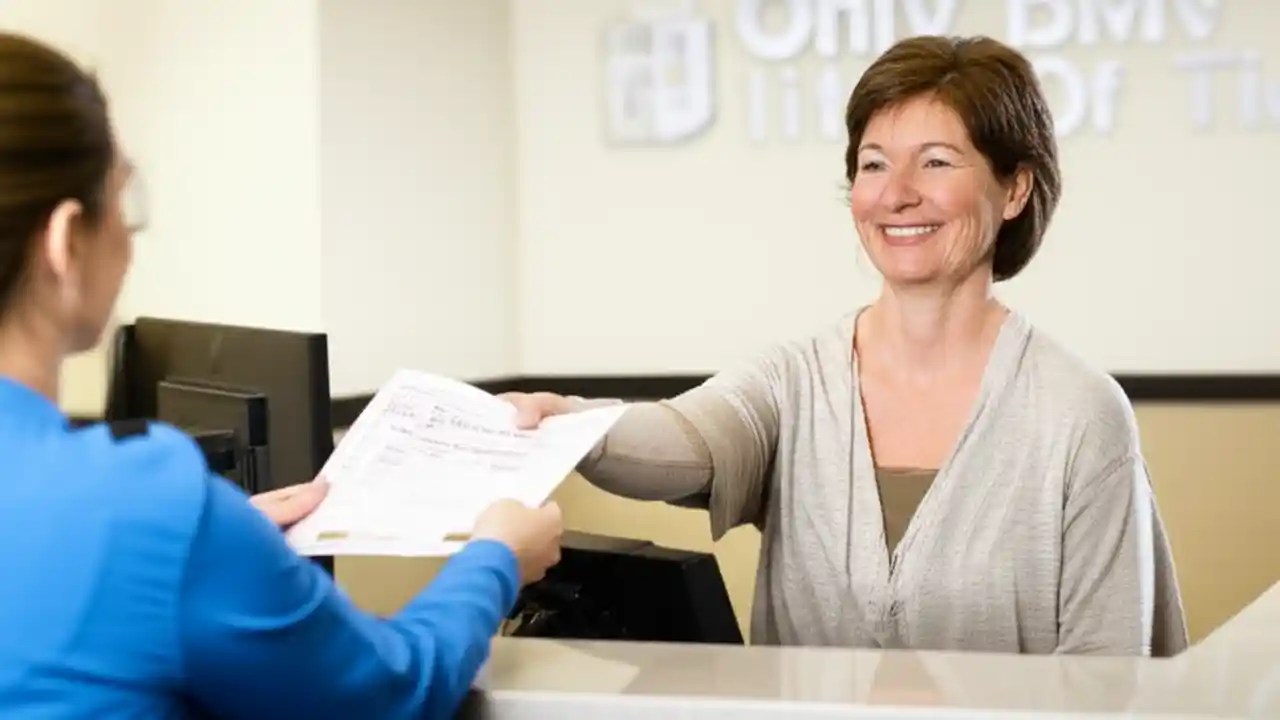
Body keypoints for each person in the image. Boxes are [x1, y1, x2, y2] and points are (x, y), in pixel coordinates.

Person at [504, 35, 1189, 656]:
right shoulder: (794, 381)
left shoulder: (1080, 413)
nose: (896, 195)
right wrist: (572, 426)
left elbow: (1111, 683)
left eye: (937, 162)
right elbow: (687, 441)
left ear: (1014, 188)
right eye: (873, 164)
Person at [0, 32, 562, 718]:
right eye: (123, 200)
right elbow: (395, 689)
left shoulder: (151, 518)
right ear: (65, 241)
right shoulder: (147, 507)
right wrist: (497, 557)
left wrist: (217, 545)